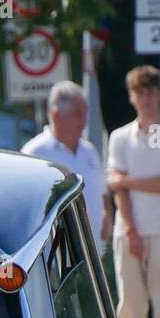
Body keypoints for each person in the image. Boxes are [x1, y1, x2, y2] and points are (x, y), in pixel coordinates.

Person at [106, 65, 160, 318]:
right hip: (129, 230)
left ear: (159, 94)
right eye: (139, 92)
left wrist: (127, 181)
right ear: (131, 97)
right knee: (131, 308)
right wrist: (131, 229)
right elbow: (114, 185)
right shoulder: (120, 137)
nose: (145, 98)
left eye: (150, 91)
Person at [22, 81, 111, 250]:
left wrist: (107, 214)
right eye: (77, 114)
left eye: (85, 114)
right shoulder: (35, 153)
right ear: (56, 116)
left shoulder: (89, 151)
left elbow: (102, 191)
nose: (83, 121)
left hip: (92, 251)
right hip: (54, 257)